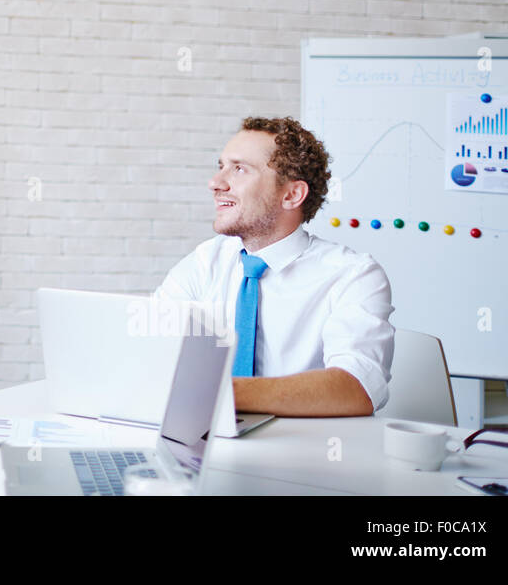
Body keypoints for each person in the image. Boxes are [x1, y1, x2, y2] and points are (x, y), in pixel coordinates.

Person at [155, 117, 393, 416]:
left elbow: (356, 388)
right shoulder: (204, 262)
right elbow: (153, 353)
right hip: (207, 444)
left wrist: (219, 392)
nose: (216, 183)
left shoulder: (353, 275)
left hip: (305, 455)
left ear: (292, 194)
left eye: (239, 169)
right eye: (221, 166)